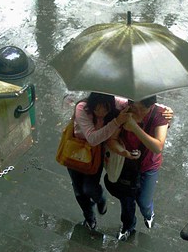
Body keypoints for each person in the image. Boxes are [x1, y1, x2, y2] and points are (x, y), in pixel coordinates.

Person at [67, 92, 173, 231]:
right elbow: (95, 139)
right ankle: (91, 218)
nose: (101, 113)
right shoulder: (83, 108)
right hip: (77, 151)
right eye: (96, 109)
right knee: (81, 191)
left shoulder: (123, 105)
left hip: (106, 157)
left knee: (91, 189)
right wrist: (118, 125)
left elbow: (157, 144)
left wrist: (167, 110)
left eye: (105, 108)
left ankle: (143, 212)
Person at [105, 95, 170, 240]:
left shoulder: (160, 115)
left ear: (148, 107)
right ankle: (128, 226)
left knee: (144, 201)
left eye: (136, 105)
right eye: (130, 102)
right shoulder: (124, 111)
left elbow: (158, 146)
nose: (131, 106)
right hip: (126, 166)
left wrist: (134, 127)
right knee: (126, 201)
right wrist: (124, 152)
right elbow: (112, 140)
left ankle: (148, 213)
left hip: (149, 166)